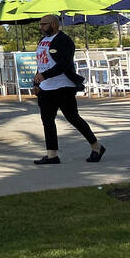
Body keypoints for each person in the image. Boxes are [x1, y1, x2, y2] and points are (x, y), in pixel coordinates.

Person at [32, 14, 105, 165]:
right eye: (40, 24)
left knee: (73, 118)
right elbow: (40, 64)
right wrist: (37, 83)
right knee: (47, 121)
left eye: (43, 24)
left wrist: (44, 75)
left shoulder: (64, 40)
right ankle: (52, 155)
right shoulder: (43, 41)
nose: (40, 27)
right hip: (46, 89)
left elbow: (63, 65)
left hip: (63, 87)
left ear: (53, 24)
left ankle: (96, 147)